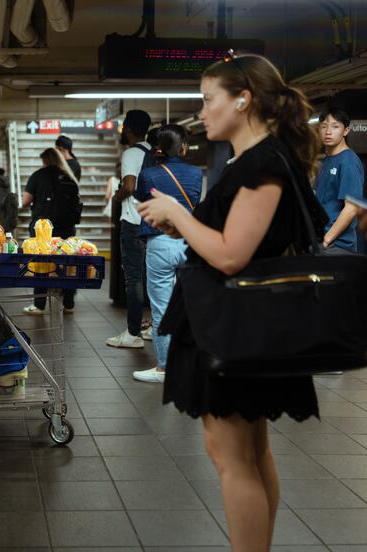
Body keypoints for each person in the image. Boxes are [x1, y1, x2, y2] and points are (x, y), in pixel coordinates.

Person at [138, 51, 327, 551]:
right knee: (253, 451)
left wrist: (178, 214)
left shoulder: (264, 163)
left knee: (231, 457)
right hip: (246, 324)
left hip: (237, 328)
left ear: (242, 100)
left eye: (208, 100)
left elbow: (229, 255)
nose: (201, 111)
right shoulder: (261, 159)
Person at [132, 125, 202, 383]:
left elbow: (140, 197)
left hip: (160, 243)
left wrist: (153, 159)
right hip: (189, 242)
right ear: (183, 147)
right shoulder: (195, 173)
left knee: (162, 307)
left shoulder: (149, 173)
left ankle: (165, 367)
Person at [108, 110, 152, 348]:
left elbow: (129, 186)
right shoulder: (154, 151)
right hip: (154, 222)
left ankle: (133, 333)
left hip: (134, 221)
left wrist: (116, 197)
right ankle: (153, 327)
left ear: (129, 128)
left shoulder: (131, 152)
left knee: (134, 278)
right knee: (153, 278)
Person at [21, 147, 81, 314]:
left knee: (41, 264)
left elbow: (25, 201)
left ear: (45, 160)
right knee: (67, 264)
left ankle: (39, 305)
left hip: (43, 228)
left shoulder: (39, 175)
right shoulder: (69, 176)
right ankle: (69, 304)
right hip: (66, 227)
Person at [315, 107, 365, 254]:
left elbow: (351, 209)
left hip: (337, 245)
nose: (328, 131)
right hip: (321, 240)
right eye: (324, 126)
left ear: (346, 131)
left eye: (335, 126)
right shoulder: (326, 161)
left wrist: (326, 240)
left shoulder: (348, 161)